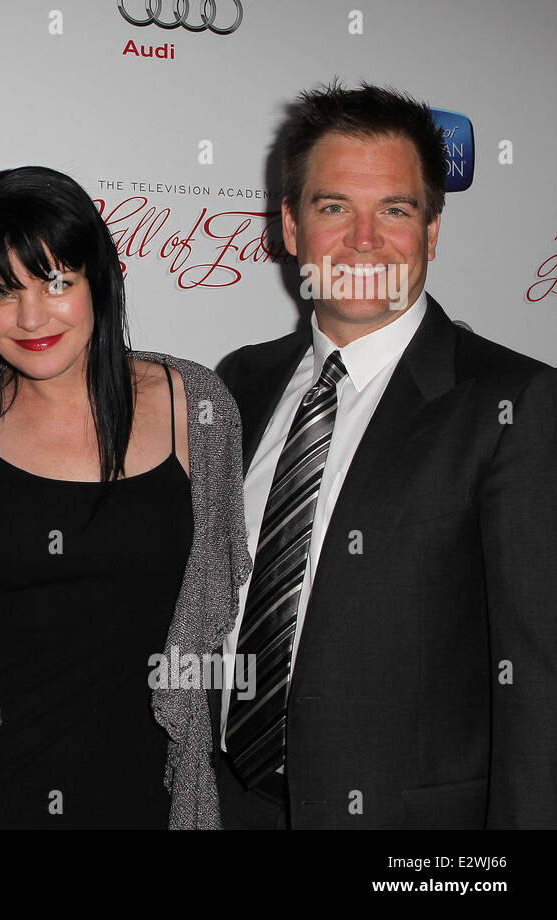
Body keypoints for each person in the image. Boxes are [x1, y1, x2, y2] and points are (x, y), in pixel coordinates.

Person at [214, 82, 557, 828]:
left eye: (394, 210)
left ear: (432, 232)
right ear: (291, 227)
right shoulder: (240, 381)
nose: (363, 241)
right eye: (334, 207)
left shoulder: (515, 405)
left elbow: (539, 686)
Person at [0, 166, 251, 829]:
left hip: (145, 793)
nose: (30, 317)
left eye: (55, 283)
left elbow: (218, 601)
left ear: (99, 279)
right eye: (0, 290)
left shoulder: (199, 408)